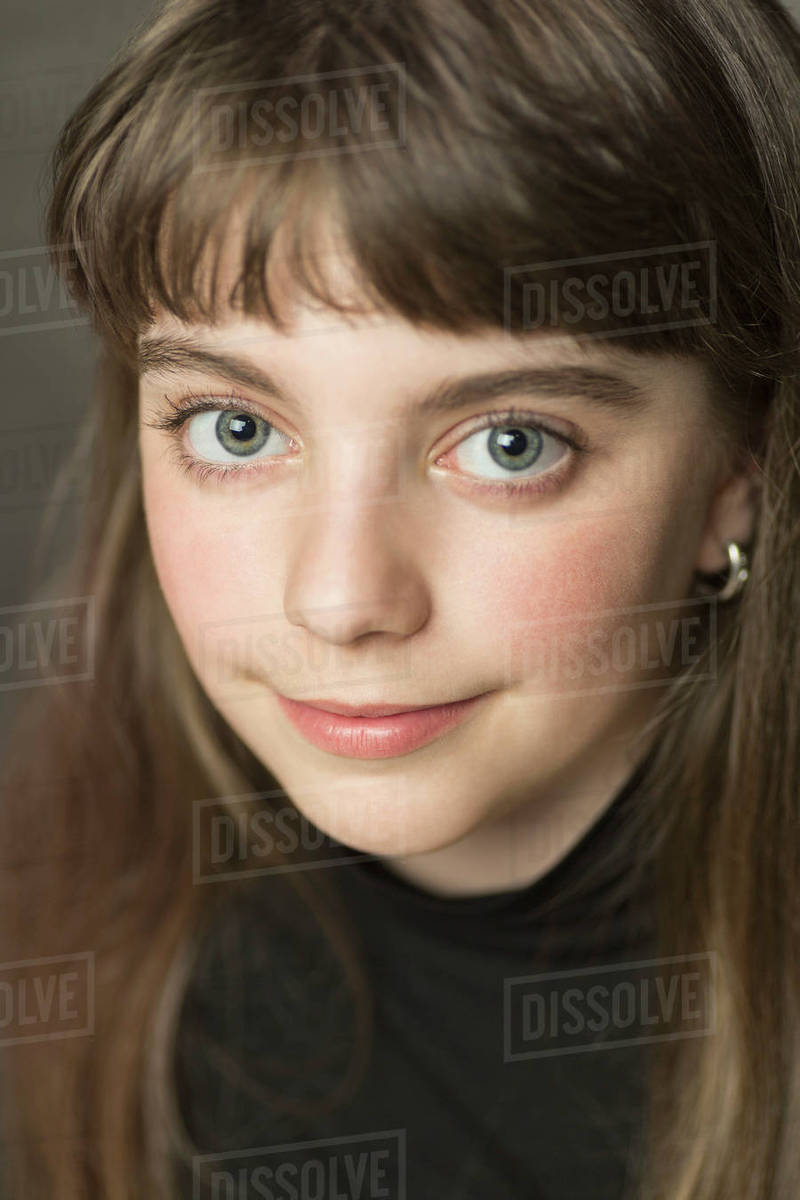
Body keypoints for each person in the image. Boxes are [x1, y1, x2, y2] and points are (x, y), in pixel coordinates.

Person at [1, 0, 799, 1196]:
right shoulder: (76, 928)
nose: (337, 602)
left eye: (510, 444)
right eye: (235, 428)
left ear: (737, 478)